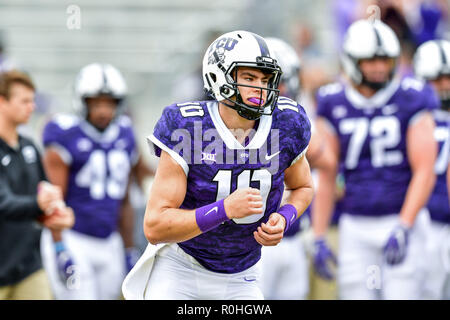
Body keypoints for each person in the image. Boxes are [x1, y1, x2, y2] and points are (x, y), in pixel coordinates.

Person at [122, 30, 314, 300]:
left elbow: (304, 186)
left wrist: (285, 217)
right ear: (218, 76)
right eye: (249, 78)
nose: (260, 88)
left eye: (265, 78)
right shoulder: (188, 127)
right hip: (180, 268)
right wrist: (224, 209)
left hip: (242, 275)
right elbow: (155, 226)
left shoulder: (287, 122)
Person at [312, 19, 438, 300]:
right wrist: (319, 235)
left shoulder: (411, 97)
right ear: (352, 60)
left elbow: (425, 170)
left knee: (402, 294)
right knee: (361, 293)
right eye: (371, 60)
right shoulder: (333, 102)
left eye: (385, 60)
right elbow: (327, 171)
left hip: (401, 219)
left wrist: (405, 225)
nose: (380, 67)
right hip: (357, 224)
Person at [40, 63, 141, 299]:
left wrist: (128, 248)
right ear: (82, 102)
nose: (103, 111)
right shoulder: (64, 133)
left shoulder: (126, 134)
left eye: (110, 103)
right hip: (73, 237)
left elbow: (125, 200)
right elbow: (54, 199)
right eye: (96, 103)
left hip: (109, 240)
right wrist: (59, 247)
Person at [258, 37, 337, 300]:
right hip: (251, 242)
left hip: (290, 235)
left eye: (275, 80)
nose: (272, 88)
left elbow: (327, 162)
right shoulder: (237, 121)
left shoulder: (296, 118)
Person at [0, 70, 74, 300]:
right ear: (2, 102)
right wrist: (40, 203)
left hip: (29, 265)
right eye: (24, 101)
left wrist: (59, 214)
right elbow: (5, 203)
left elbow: (43, 201)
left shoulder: (30, 147)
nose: (32, 107)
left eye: (32, 100)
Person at [413, 39, 450, 299]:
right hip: (424, 222)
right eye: (437, 80)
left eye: (449, 78)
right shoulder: (413, 118)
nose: (446, 86)